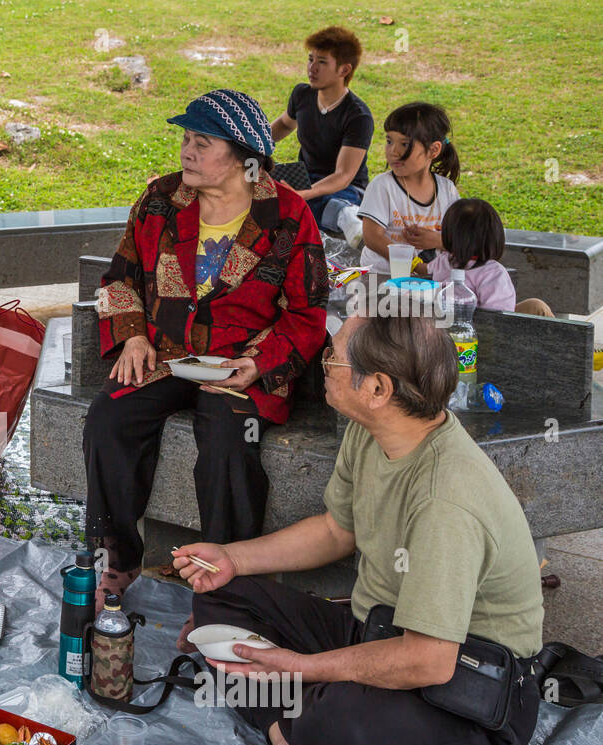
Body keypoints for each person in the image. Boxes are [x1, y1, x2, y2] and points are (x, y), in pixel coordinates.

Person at [172, 310, 544, 745]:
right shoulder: (371, 430)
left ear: (378, 389)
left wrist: (303, 668)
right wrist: (232, 559)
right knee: (219, 593)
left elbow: (428, 660)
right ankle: (288, 740)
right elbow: (336, 529)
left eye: (333, 357)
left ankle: (300, 731)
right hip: (377, 628)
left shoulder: (444, 500)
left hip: (472, 686)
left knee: (328, 723)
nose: (323, 363)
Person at [86, 89, 329, 603]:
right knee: (109, 417)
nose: (186, 151)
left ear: (245, 157)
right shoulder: (159, 201)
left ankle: (226, 584)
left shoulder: (287, 216)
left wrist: (257, 363)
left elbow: (307, 313)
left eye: (202, 141)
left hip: (240, 367)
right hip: (163, 355)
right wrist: (131, 336)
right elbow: (117, 281)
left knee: (227, 444)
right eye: (185, 138)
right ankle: (119, 555)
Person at [269, 26, 373, 232]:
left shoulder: (358, 116)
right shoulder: (302, 94)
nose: (312, 68)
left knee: (324, 205)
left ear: (344, 70)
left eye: (322, 62)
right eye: (310, 59)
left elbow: (343, 175)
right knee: (253, 180)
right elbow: (283, 125)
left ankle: (347, 217)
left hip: (345, 187)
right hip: (304, 176)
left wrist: (303, 195)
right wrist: (250, 144)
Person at [357, 102, 461, 274]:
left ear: (433, 150)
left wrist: (438, 240)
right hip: (381, 279)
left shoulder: (447, 190)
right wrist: (415, 265)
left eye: (404, 144)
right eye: (389, 141)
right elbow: (372, 237)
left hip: (427, 282)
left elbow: (460, 236)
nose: (393, 151)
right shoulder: (383, 186)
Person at [426, 198, 555, 316]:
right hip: (479, 331)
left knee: (536, 305)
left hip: (444, 322)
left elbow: (425, 270)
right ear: (494, 237)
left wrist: (414, 264)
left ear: (449, 235)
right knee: (537, 307)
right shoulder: (493, 273)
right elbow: (498, 319)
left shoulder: (445, 260)